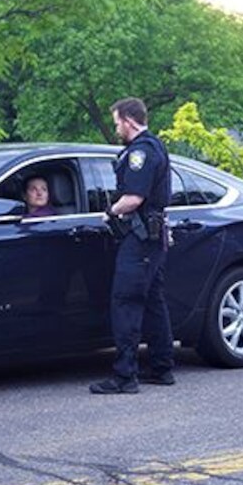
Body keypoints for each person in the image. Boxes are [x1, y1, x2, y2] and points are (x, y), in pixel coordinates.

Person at [89, 97, 175, 394]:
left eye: (117, 123)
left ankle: (125, 376)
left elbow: (133, 199)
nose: (116, 129)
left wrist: (110, 212)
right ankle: (162, 368)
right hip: (153, 239)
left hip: (140, 240)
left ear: (128, 120)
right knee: (153, 301)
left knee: (125, 302)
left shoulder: (140, 152)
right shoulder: (156, 146)